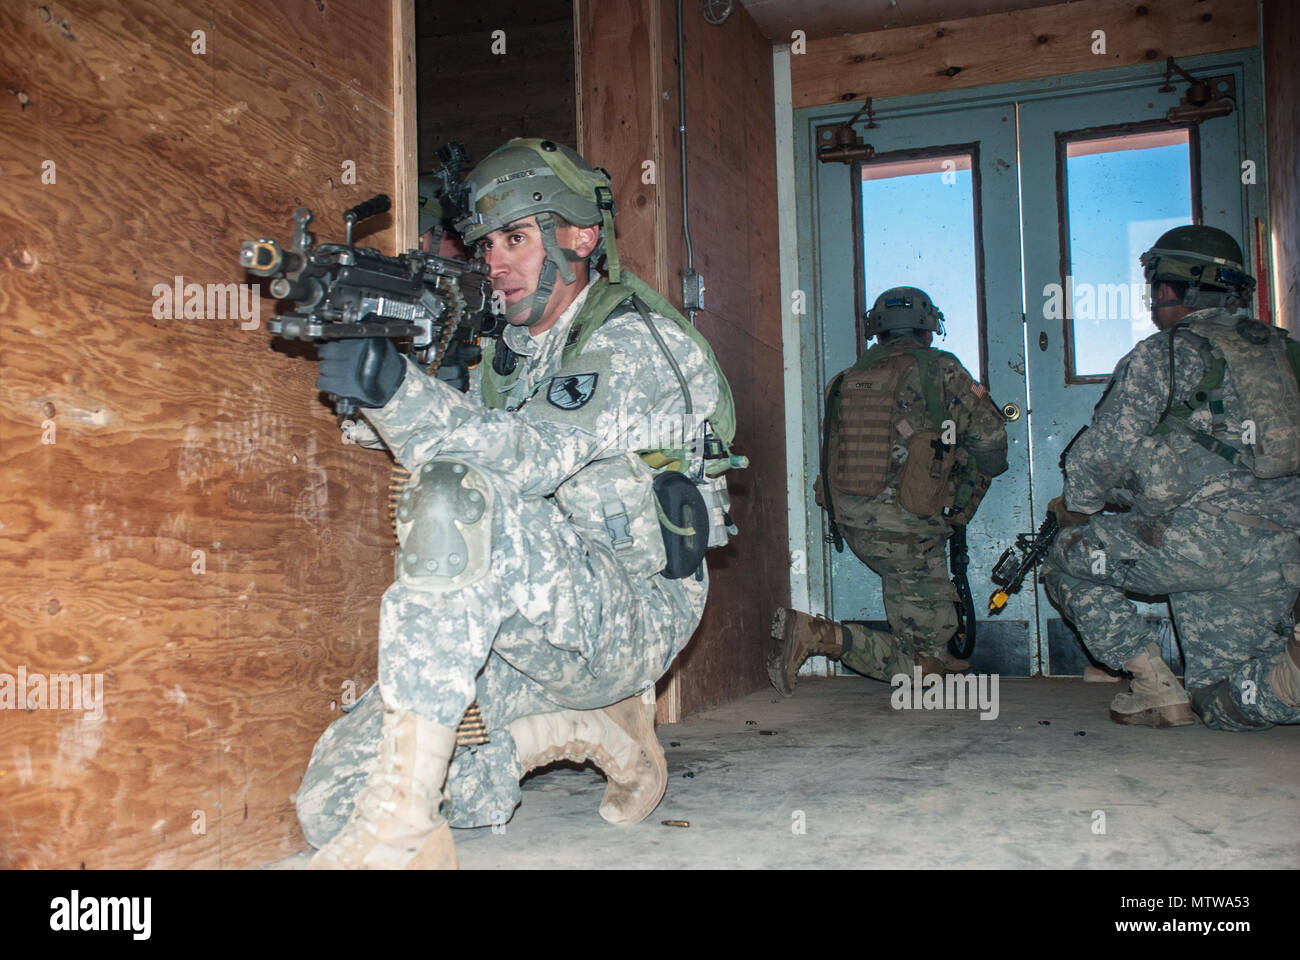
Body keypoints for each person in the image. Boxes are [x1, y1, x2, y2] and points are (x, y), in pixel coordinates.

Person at [294, 138, 738, 867]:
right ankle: (595, 732)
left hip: (632, 612)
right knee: (328, 803)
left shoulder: (633, 343)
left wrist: (395, 388)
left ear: (581, 237)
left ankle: (404, 827)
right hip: (526, 620)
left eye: (517, 238)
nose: (494, 262)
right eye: (487, 244)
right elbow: (455, 430)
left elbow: (524, 459)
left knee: (450, 494)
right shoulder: (509, 352)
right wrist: (370, 390)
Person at [1040, 225, 1300, 731]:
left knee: (1063, 557)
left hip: (1194, 542)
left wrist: (1078, 507)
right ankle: (1292, 673)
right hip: (1284, 550)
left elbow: (1099, 458)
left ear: (1166, 288)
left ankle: (1154, 686)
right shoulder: (1288, 355)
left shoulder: (1166, 351)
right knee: (1221, 698)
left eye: (1154, 287)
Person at [770, 287, 1008, 694]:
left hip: (855, 525)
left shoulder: (844, 380)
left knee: (929, 602)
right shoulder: (942, 369)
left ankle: (933, 650)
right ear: (929, 329)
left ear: (876, 332)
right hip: (909, 530)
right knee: (920, 673)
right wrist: (973, 474)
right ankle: (818, 635)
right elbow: (990, 440)